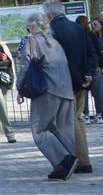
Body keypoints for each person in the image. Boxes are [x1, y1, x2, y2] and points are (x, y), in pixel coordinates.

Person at [16, 12, 78, 180]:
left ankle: (63, 161)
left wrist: (20, 88)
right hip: (66, 90)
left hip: (47, 91)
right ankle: (71, 161)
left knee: (40, 130)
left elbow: (25, 66)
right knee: (64, 128)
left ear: (33, 26)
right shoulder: (56, 43)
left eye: (28, 27)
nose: (28, 30)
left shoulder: (33, 41)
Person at [46, 0, 97, 174]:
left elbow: (55, 60)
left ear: (49, 15)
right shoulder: (78, 28)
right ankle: (83, 158)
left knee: (70, 120)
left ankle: (82, 161)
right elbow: (91, 52)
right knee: (79, 118)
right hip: (82, 81)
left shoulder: (51, 32)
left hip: (64, 83)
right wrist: (89, 74)